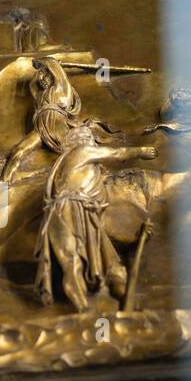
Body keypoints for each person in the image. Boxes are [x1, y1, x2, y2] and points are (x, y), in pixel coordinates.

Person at [34, 123, 158, 311]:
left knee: (77, 263)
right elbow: (116, 154)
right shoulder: (82, 152)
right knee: (73, 262)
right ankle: (84, 309)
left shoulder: (63, 162)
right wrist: (140, 151)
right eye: (89, 139)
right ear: (83, 141)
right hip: (73, 210)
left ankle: (102, 305)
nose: (92, 143)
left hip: (69, 213)